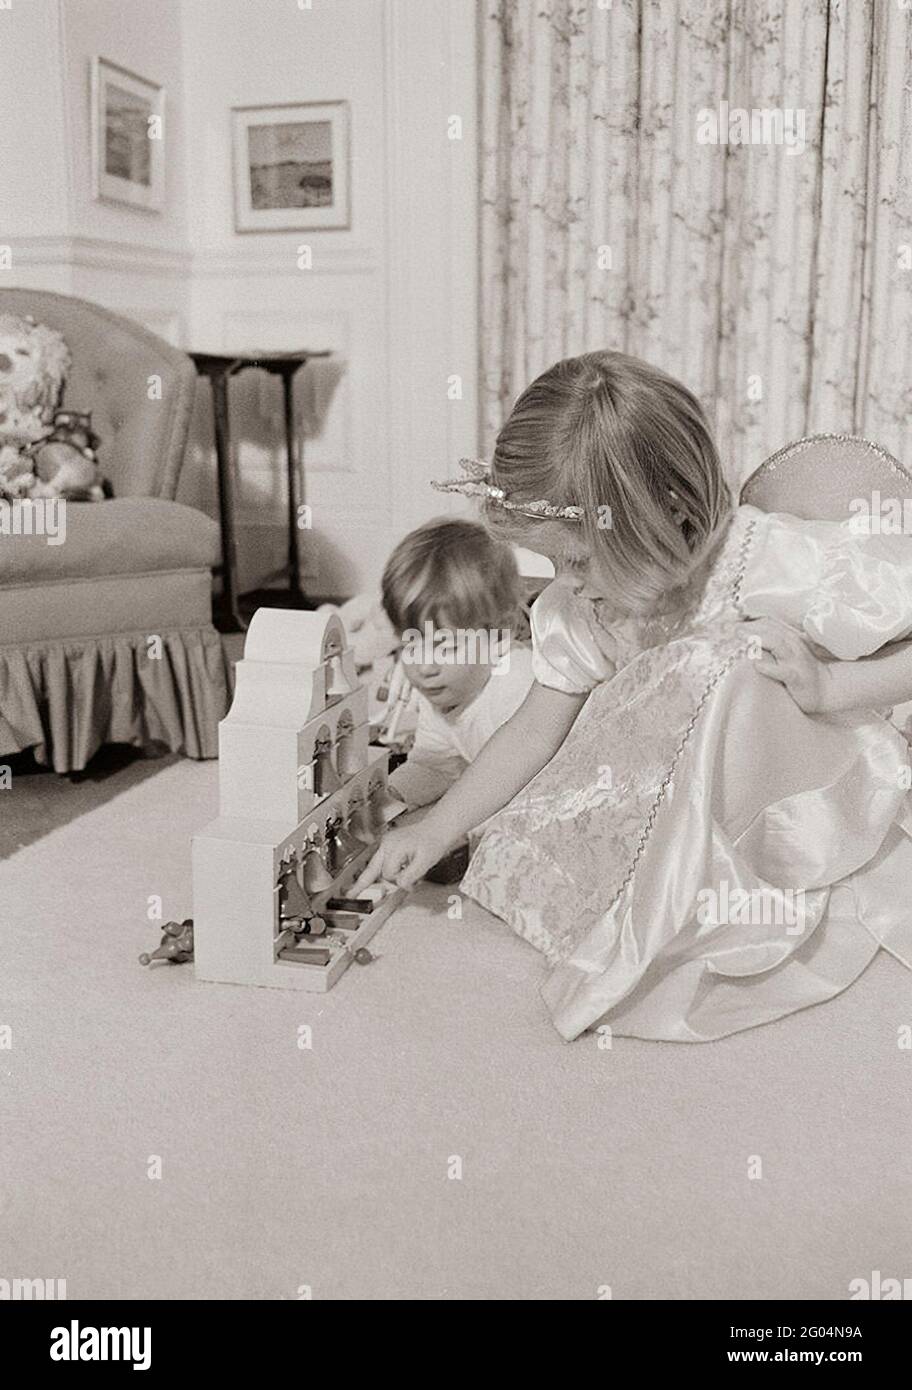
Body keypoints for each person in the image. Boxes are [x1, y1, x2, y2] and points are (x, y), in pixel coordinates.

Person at [355, 349, 912, 1042]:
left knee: (719, 664)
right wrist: (439, 825)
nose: (567, 582)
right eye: (555, 564)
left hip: (802, 793)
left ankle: (728, 901)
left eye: (579, 560)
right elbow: (534, 732)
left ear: (663, 515)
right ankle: (668, 892)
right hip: (678, 811)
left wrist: (833, 683)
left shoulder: (763, 561)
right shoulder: (581, 609)